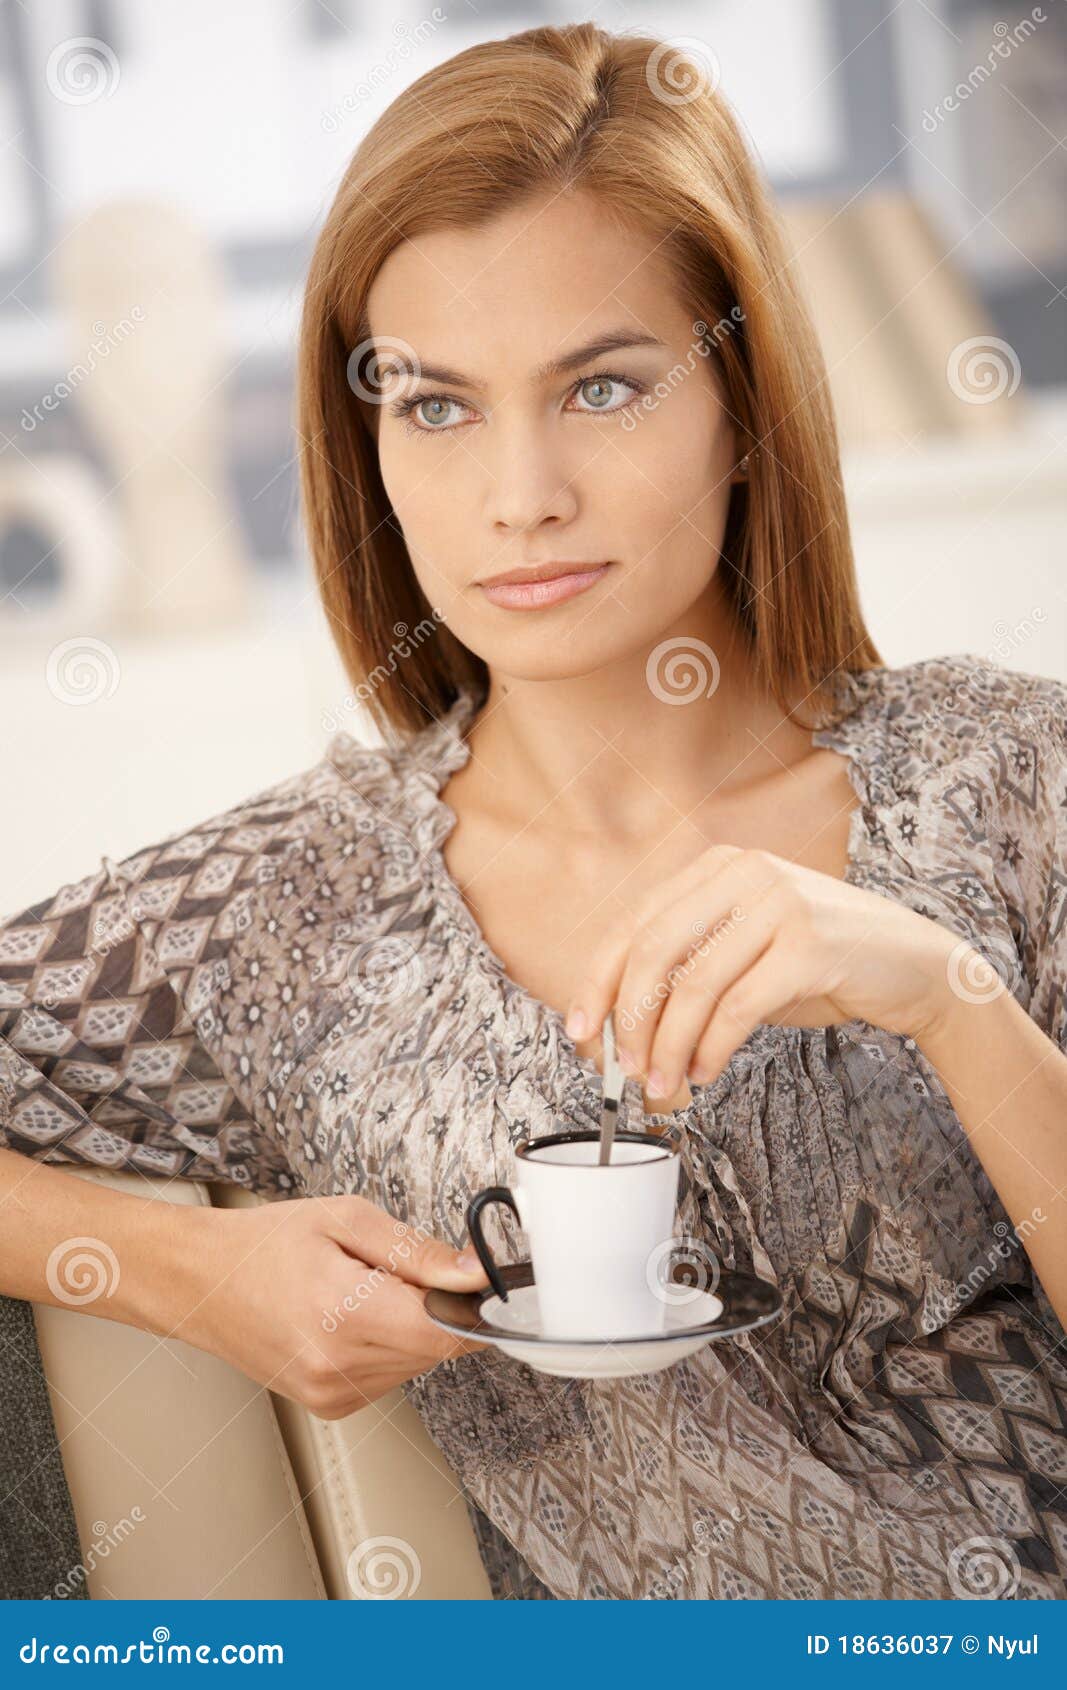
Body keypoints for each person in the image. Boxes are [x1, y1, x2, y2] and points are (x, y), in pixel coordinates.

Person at [3, 21, 1066, 1602]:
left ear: (742, 401)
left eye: (606, 387)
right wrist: (191, 1272)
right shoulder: (288, 911)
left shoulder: (1009, 779)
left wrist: (949, 996)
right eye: (436, 406)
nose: (520, 494)